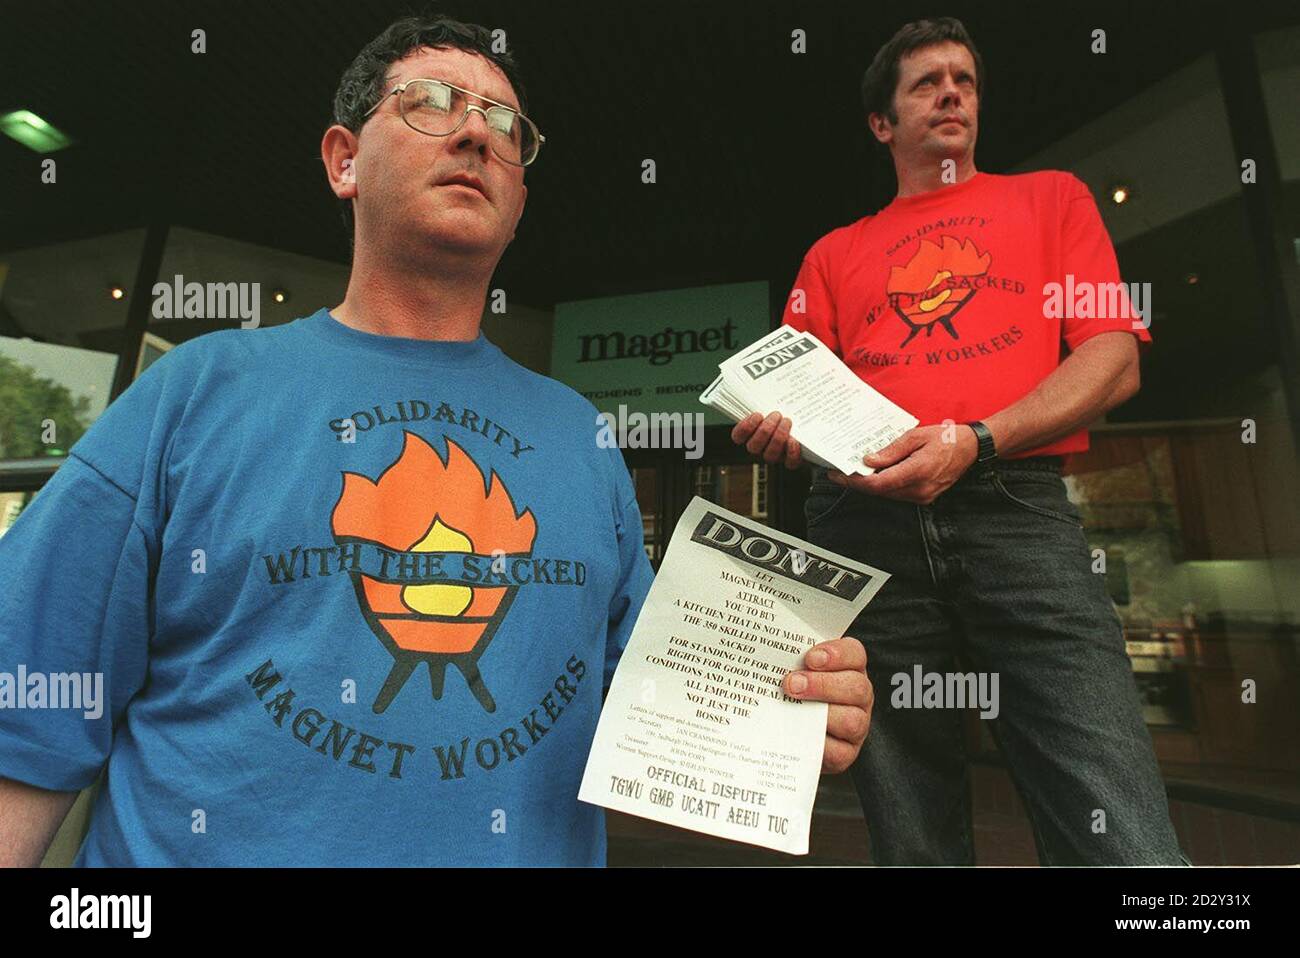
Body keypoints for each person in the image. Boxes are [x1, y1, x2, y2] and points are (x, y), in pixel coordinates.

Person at [0, 14, 872, 867]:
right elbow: (25, 727)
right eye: (431, 101)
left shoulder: (582, 436)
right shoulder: (195, 394)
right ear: (344, 160)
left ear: (521, 197)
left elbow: (652, 720)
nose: (475, 134)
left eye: (504, 124)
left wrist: (786, 708)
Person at [733, 17, 1185, 866]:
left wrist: (977, 440)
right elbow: (799, 388)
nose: (950, 92)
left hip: (1017, 503)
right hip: (865, 520)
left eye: (964, 80)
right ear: (882, 123)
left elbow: (1115, 356)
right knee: (911, 832)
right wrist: (780, 432)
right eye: (925, 83)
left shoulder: (1050, 198)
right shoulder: (834, 252)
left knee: (1117, 821)